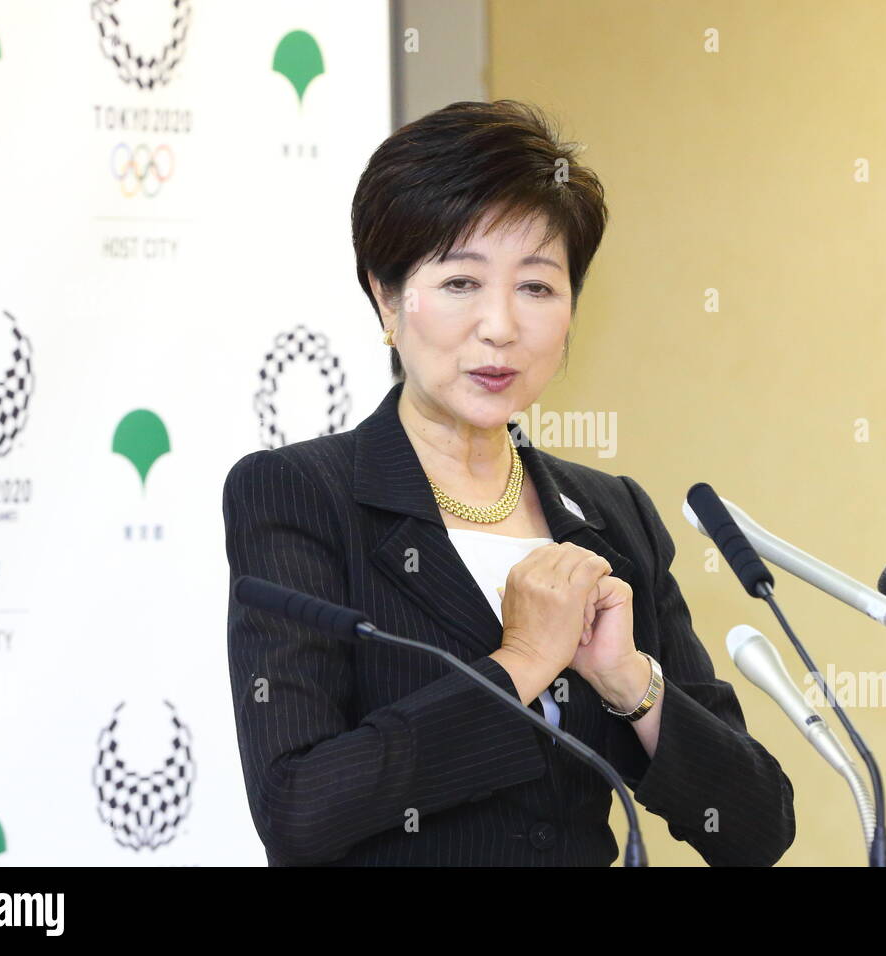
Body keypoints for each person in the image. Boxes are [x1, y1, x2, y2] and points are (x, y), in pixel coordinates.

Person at [223, 100, 796, 866]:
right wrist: (522, 660)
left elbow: (756, 828)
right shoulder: (302, 498)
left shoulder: (612, 516)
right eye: (460, 283)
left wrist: (629, 683)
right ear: (387, 299)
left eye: (536, 287)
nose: (500, 326)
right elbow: (300, 811)